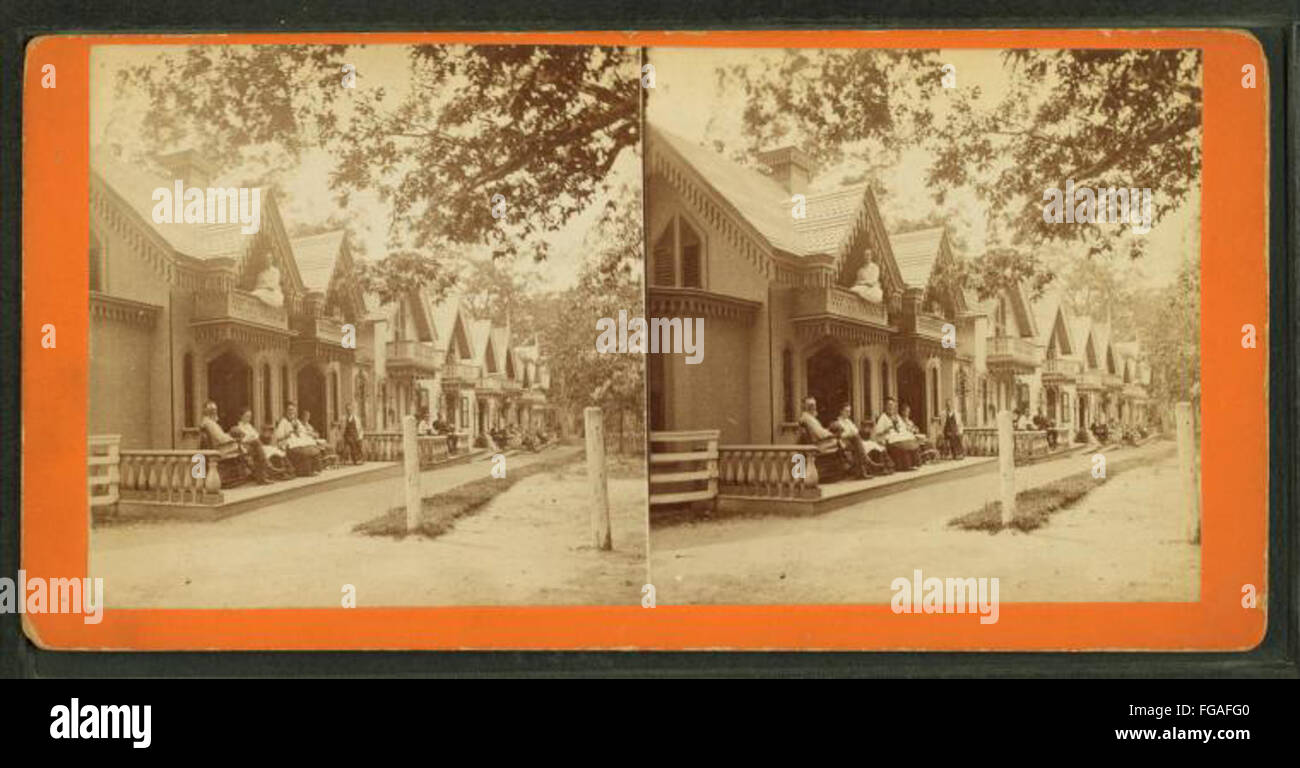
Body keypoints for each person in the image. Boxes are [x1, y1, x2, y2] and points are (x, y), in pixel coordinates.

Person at [273, 402, 321, 476]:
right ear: (285, 411)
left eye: (293, 410)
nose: (291, 412)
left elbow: (303, 431)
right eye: (289, 410)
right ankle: (305, 472)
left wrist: (304, 433)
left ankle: (314, 469)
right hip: (290, 443)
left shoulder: (296, 421)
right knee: (304, 452)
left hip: (299, 441)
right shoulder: (283, 422)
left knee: (313, 449)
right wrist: (288, 433)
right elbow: (278, 436)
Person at [229, 407, 274, 484]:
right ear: (241, 416)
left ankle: (262, 476)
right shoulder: (238, 427)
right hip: (245, 447)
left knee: (258, 445)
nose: (248, 418)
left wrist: (254, 437)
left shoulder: (249, 426)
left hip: (254, 446)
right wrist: (251, 438)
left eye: (250, 416)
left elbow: (256, 435)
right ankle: (265, 468)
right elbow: (241, 440)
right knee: (257, 445)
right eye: (247, 416)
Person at [874, 397, 920, 471]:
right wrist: (887, 429)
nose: (891, 407)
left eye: (892, 405)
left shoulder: (897, 416)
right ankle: (905, 466)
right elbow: (878, 433)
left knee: (911, 440)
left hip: (898, 435)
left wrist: (909, 430)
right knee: (903, 445)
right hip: (890, 438)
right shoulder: (883, 417)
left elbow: (903, 427)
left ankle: (914, 463)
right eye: (889, 405)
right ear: (885, 406)